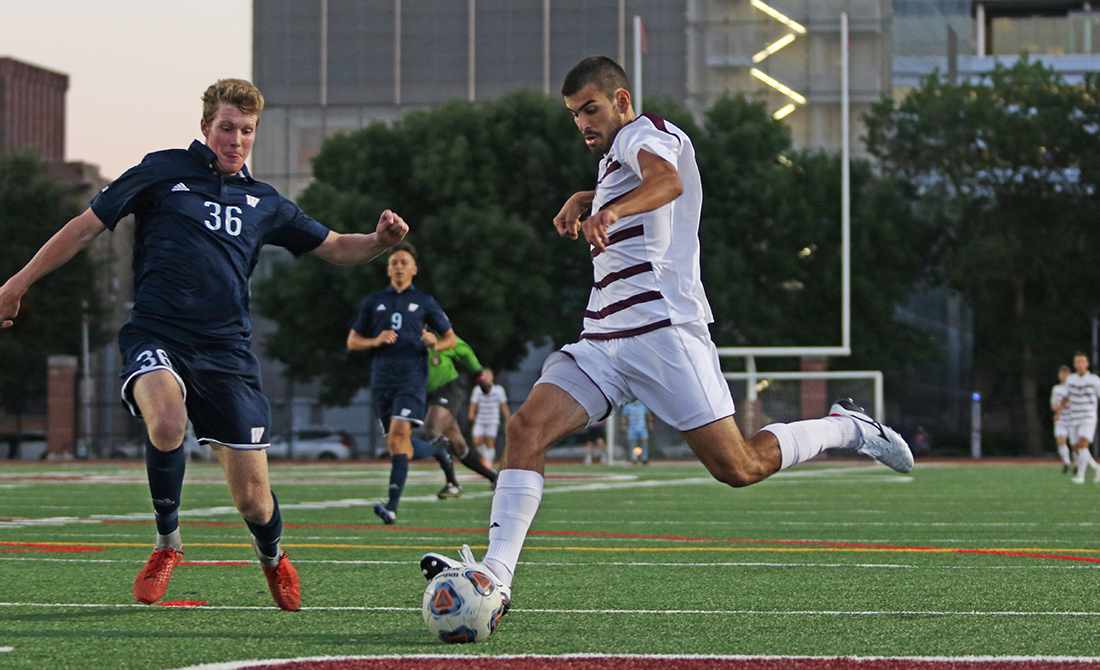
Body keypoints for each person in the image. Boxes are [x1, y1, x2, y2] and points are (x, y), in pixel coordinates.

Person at [418, 56, 913, 612]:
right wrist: (590, 200)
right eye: (574, 114)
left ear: (622, 102)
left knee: (739, 468)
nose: (582, 122)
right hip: (603, 338)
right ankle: (496, 576)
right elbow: (637, 186)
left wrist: (607, 211)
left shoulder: (645, 132)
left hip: (663, 332)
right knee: (525, 427)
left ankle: (845, 427)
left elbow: (666, 180)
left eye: (591, 109)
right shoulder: (614, 157)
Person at [0, 79, 409, 611]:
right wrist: (15, 284)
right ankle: (167, 544)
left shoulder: (266, 201)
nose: (235, 139)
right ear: (205, 127)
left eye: (246, 131)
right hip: (157, 333)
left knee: (253, 501)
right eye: (226, 127)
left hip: (227, 353)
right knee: (167, 421)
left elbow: (333, 245)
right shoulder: (160, 170)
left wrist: (379, 242)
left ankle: (273, 557)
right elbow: (83, 228)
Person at [347, 242, 460, 523]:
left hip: (411, 381)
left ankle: (392, 507)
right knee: (401, 446)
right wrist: (376, 339)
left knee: (398, 439)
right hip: (382, 381)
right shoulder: (373, 302)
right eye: (394, 262)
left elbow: (451, 339)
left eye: (403, 262)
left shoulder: (424, 302)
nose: (398, 266)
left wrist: (436, 342)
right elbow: (352, 340)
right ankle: (439, 450)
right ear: (388, 269)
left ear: (413, 269)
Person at [425, 334, 498, 486]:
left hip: (447, 390)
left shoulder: (440, 337)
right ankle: (492, 476)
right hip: (427, 395)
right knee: (458, 445)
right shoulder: (402, 340)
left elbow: (464, 352)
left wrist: (479, 376)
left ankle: (451, 483)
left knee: (433, 429)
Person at [1066, 352, 1100, 484]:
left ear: (1087, 364)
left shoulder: (1094, 380)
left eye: (1082, 362)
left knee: (1082, 445)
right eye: (1077, 362)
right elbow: (1067, 398)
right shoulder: (1070, 379)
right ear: (1074, 364)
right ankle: (1096, 467)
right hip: (1074, 417)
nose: (1079, 364)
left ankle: (1081, 476)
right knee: (1075, 447)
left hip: (1088, 416)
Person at [468, 368, 510, 468]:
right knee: (476, 441)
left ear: (492, 377)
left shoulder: (498, 390)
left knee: (489, 441)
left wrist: (508, 417)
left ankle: (488, 463)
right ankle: (484, 457)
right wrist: (471, 413)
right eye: (484, 375)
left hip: (493, 419)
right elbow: (473, 403)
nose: (486, 377)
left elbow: (503, 405)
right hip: (480, 419)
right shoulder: (477, 390)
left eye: (488, 375)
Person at [1051, 364, 1072, 473]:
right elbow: (1053, 405)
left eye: (1066, 374)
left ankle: (1079, 463)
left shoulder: (1073, 387)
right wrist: (1057, 408)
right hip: (1061, 419)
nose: (1064, 376)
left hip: (1072, 418)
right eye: (1062, 374)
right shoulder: (1056, 388)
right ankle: (1067, 462)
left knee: (1076, 444)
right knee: (1061, 441)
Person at [621, 400, 653, 464]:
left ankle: (644, 458)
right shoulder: (628, 406)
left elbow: (648, 414)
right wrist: (624, 426)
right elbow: (624, 417)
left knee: (644, 441)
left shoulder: (643, 405)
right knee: (633, 442)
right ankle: (634, 458)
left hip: (642, 427)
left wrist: (650, 423)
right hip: (632, 428)